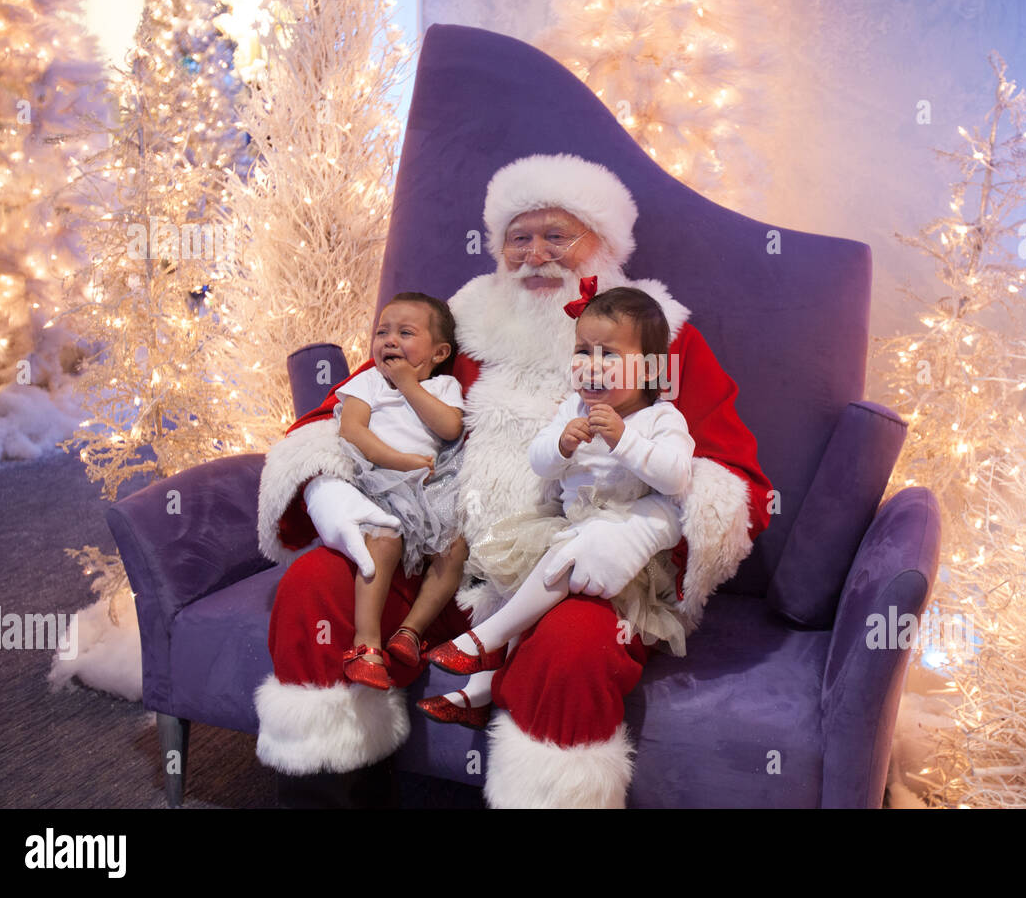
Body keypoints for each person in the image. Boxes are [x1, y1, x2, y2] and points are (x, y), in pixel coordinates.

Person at [253, 152, 772, 807]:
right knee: (315, 584)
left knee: (578, 645)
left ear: (604, 246)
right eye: (518, 236)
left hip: (575, 569)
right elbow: (347, 406)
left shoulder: (661, 337)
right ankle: (323, 789)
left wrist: (643, 532)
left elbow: (732, 478)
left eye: (558, 234)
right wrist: (330, 491)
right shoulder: (457, 323)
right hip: (441, 550)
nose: (535, 254)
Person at [417, 286, 694, 728]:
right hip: (565, 526)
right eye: (583, 351)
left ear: (649, 369)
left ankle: (483, 641)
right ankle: (483, 686)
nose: (592, 366)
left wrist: (626, 440)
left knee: (551, 580)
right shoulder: (573, 407)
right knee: (525, 592)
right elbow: (539, 461)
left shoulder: (662, 419)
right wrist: (561, 445)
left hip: (623, 547)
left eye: (609, 355)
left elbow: (676, 477)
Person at [331, 292, 467, 691]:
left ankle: (411, 631)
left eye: (405, 333)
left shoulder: (443, 387)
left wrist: (409, 385)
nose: (389, 340)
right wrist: (398, 460)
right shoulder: (368, 382)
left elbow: (449, 429)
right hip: (378, 477)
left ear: (439, 352)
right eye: (382, 332)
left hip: (430, 487)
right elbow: (352, 430)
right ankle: (366, 645)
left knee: (455, 548)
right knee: (384, 540)